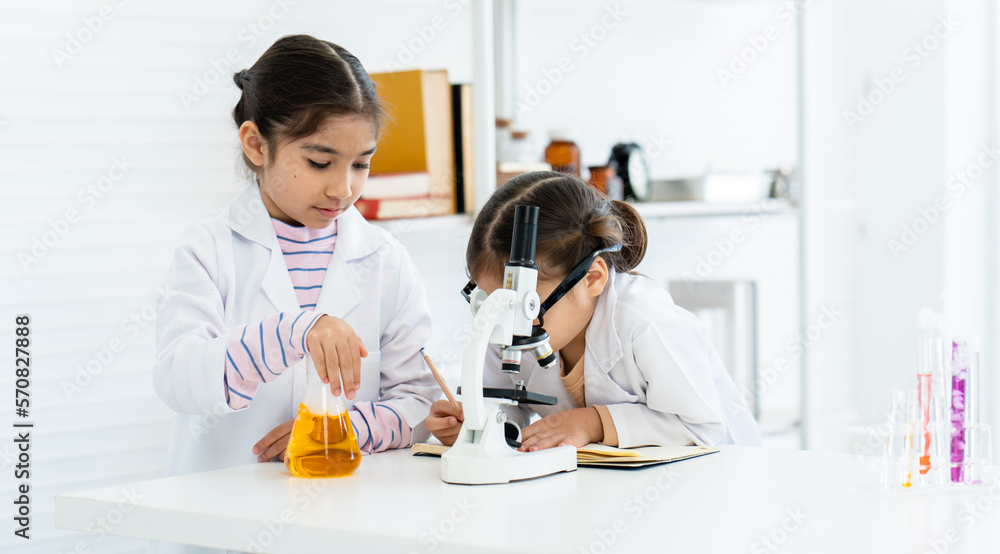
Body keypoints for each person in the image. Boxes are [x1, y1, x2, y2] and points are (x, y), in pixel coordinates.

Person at [153, 35, 438, 491]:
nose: (343, 189)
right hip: (222, 511)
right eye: (320, 162)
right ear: (256, 144)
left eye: (361, 164)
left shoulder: (385, 259)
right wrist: (293, 330)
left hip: (341, 513)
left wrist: (344, 430)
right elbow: (179, 380)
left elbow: (419, 402)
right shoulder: (207, 247)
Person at [426, 171, 761, 450]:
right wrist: (476, 423)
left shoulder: (646, 322)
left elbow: (703, 429)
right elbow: (508, 413)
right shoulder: (509, 326)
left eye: (523, 306)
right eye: (491, 302)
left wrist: (593, 422)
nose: (506, 326)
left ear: (592, 279)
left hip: (717, 482)